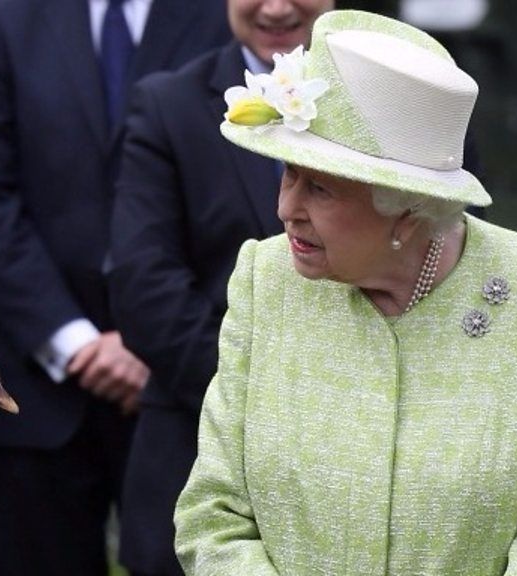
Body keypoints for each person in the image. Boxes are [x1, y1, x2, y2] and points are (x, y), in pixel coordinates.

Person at [173, 9, 517, 575]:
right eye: (287, 173)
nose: (285, 210)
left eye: (319, 189)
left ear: (407, 212)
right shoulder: (264, 276)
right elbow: (212, 514)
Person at [0, 0, 230, 574]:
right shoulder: (11, 18)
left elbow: (238, 199)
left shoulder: (223, 14)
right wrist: (73, 340)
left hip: (184, 387)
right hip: (42, 392)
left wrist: (152, 341)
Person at [106, 2, 335, 574]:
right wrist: (273, 399)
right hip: (197, 450)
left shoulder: (398, 105)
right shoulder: (169, 105)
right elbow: (145, 286)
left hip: (360, 476)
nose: (277, 6)